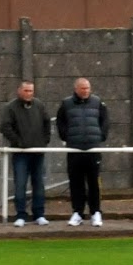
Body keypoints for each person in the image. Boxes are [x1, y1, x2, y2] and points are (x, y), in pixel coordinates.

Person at [56, 77, 109, 227]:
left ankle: (96, 212)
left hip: (93, 148)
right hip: (74, 149)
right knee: (76, 182)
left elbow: (105, 121)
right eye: (82, 88)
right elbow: (60, 122)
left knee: (94, 182)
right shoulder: (66, 104)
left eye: (87, 88)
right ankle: (77, 212)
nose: (85, 91)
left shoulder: (98, 102)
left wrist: (100, 136)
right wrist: (67, 137)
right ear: (76, 89)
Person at [0, 80, 54, 226]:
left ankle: (39, 214)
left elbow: (47, 122)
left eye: (31, 91)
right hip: (20, 153)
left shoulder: (39, 105)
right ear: (20, 91)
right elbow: (5, 127)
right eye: (26, 91)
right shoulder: (10, 107)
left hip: (38, 151)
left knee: (39, 183)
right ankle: (21, 215)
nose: (29, 93)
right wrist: (18, 142)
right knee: (20, 184)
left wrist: (44, 141)